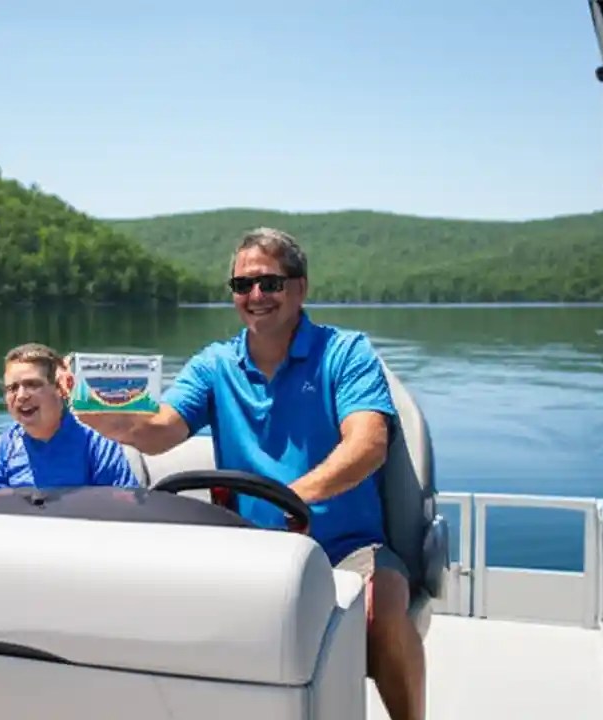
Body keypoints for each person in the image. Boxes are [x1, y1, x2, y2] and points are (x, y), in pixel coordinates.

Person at [75, 228, 424, 720]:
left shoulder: (345, 353)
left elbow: (368, 445)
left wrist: (291, 498)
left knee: (383, 609)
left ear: (300, 287)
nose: (256, 296)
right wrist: (92, 409)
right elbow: (158, 431)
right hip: (251, 551)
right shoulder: (214, 365)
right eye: (243, 286)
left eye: (270, 283)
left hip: (347, 548)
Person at [0, 342, 140, 493]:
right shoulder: (4, 452)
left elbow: (125, 508)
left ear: (59, 388)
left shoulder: (97, 445)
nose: (21, 396)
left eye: (33, 385)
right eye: (12, 388)